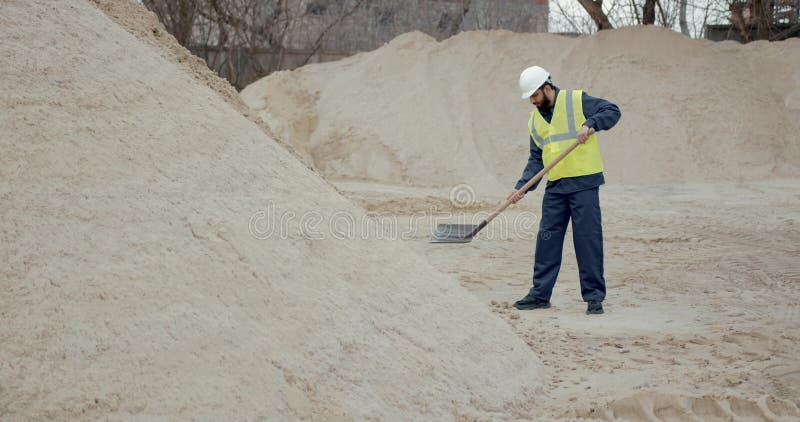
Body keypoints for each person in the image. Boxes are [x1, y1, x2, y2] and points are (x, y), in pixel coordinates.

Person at [509, 66, 621, 315]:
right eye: (530, 98)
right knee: (547, 239)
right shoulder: (535, 119)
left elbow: (612, 111)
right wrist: (522, 188)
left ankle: (594, 298)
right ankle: (540, 294)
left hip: (584, 183)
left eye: (535, 96)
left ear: (547, 88)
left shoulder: (576, 100)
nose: (533, 101)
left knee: (587, 240)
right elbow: (537, 159)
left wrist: (591, 124)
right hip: (556, 187)